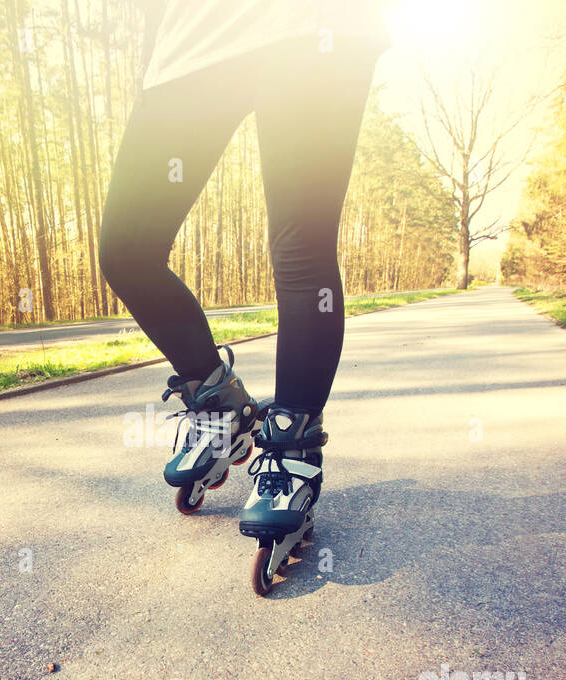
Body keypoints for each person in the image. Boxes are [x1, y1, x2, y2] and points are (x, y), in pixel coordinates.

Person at [99, 1, 390, 594]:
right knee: (126, 249)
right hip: (188, 44)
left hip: (313, 30)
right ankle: (218, 400)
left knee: (299, 249)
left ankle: (293, 438)